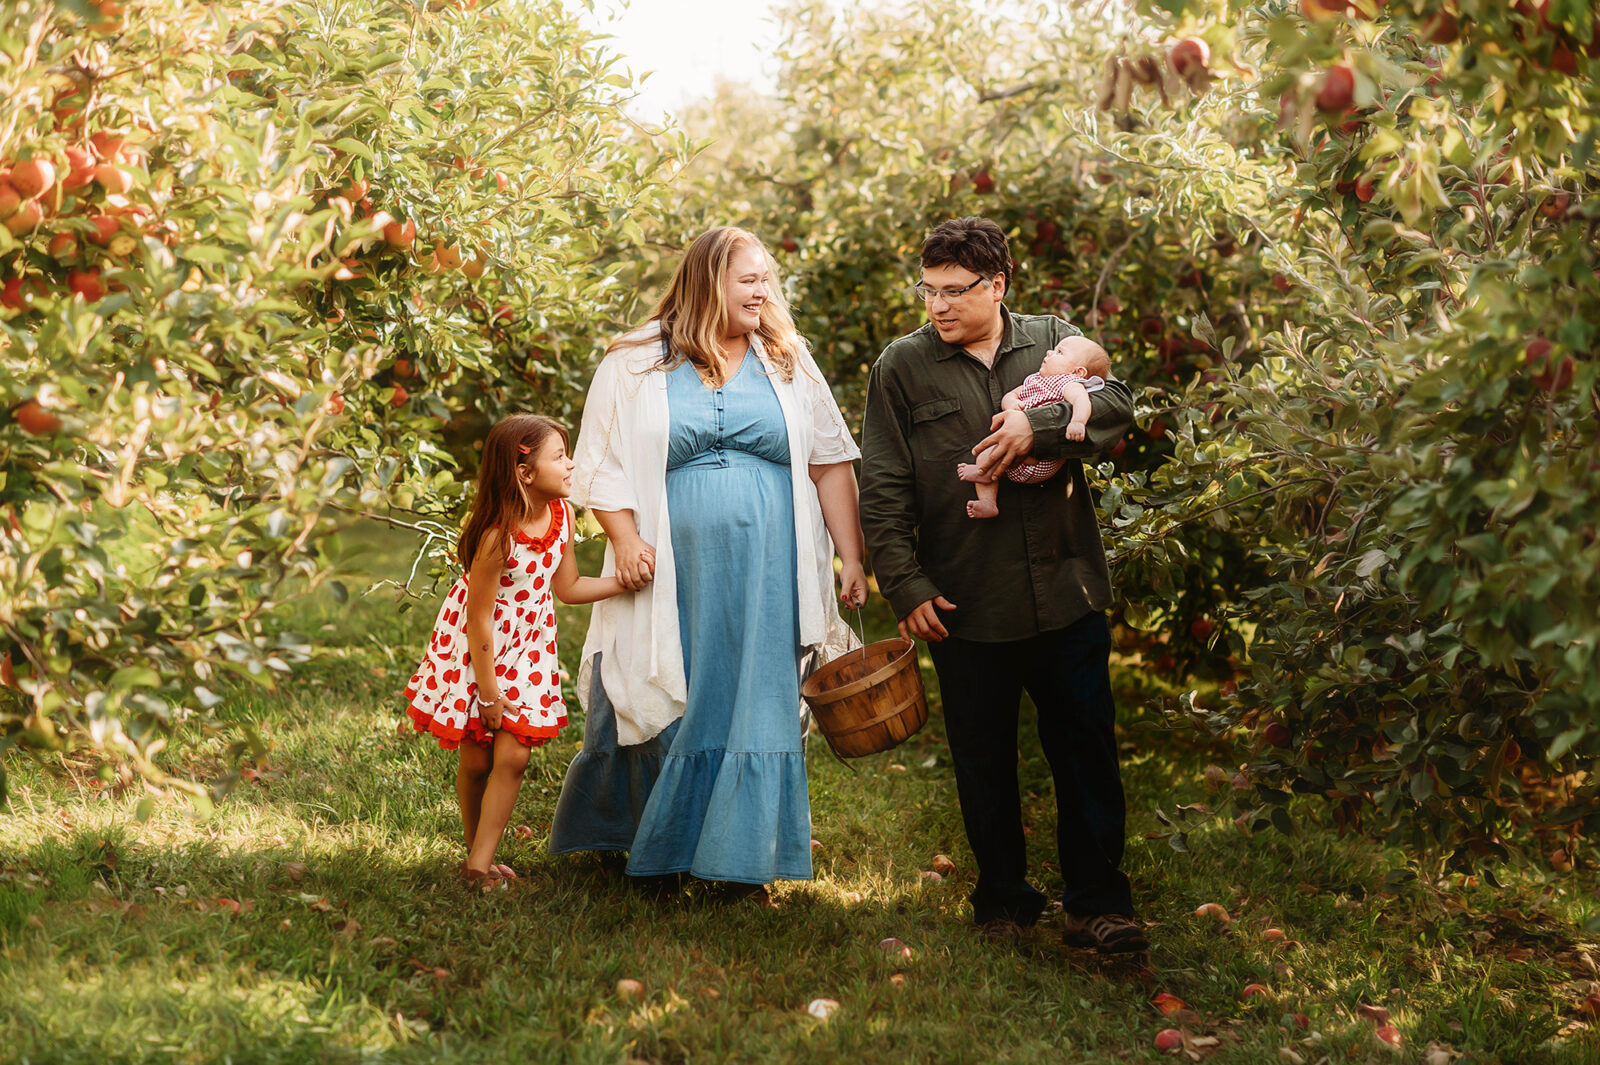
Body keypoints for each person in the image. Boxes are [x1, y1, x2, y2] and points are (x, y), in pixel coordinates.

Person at [548, 226, 866, 893]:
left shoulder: (786, 356)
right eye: (748, 279)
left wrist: (851, 558)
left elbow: (831, 460)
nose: (763, 292)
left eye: (766, 279)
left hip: (771, 567)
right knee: (666, 686)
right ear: (707, 280)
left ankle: (741, 858)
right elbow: (600, 461)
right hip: (670, 566)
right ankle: (660, 848)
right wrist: (627, 537)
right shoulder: (635, 359)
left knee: (756, 692)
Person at [859, 216, 1146, 952]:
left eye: (955, 291)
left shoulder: (1052, 339)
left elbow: (1116, 407)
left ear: (998, 285)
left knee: (1085, 753)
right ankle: (1003, 898)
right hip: (966, 597)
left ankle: (1097, 904)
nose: (938, 307)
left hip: (1066, 590)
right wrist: (906, 583)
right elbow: (884, 483)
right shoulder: (902, 366)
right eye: (928, 291)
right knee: (982, 759)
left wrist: (1041, 428)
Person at [405, 414, 629, 887]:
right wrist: (487, 693)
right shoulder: (496, 536)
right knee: (478, 758)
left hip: (527, 652)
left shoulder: (562, 517)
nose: (571, 465)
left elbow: (566, 587)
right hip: (476, 653)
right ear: (524, 472)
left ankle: (479, 867)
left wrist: (621, 582)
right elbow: (478, 616)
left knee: (512, 757)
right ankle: (475, 853)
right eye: (559, 457)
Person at [957, 335, 1112, 518]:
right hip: (1015, 457)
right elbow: (1011, 395)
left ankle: (986, 472)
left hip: (1042, 458)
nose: (1049, 352)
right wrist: (1011, 403)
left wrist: (1077, 422)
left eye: (1059, 352)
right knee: (985, 455)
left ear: (1077, 372)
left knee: (990, 456)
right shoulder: (1035, 380)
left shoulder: (1068, 383)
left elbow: (1082, 401)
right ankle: (988, 503)